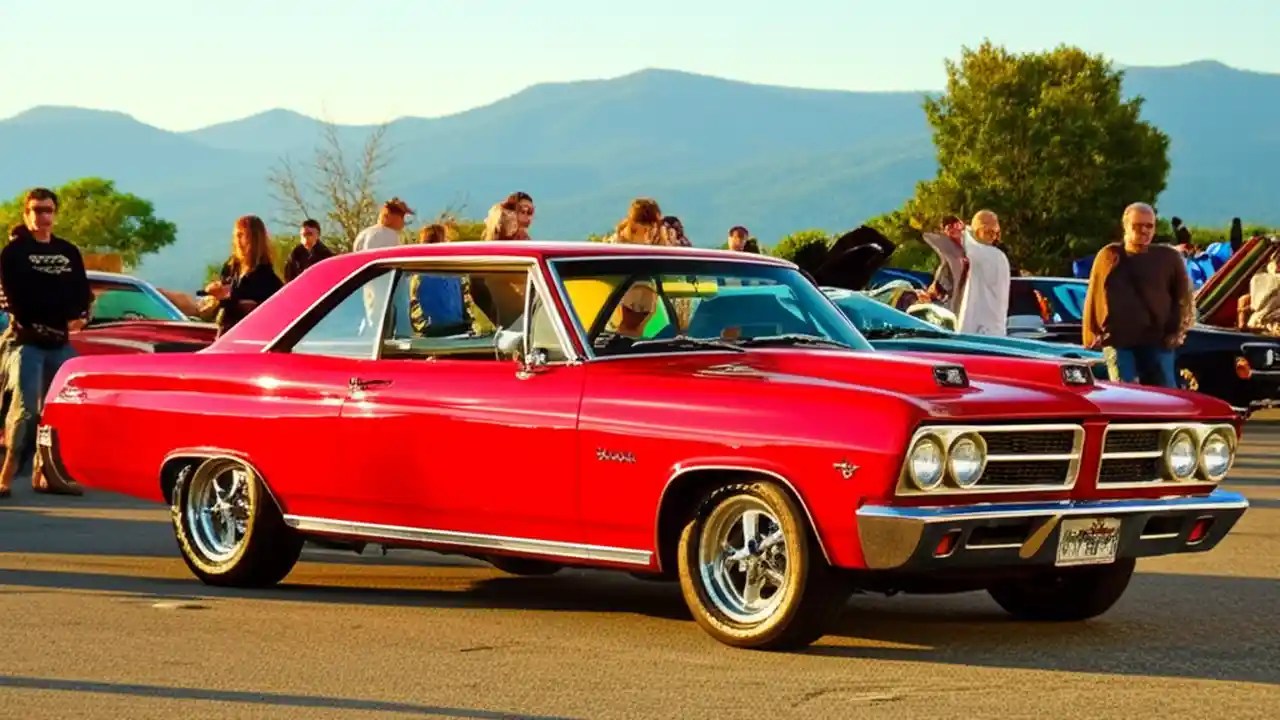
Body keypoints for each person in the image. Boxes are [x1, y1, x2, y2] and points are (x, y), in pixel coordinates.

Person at [0, 188, 93, 498]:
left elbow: (81, 291)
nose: (43, 216)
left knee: (60, 410)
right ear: (26, 214)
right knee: (25, 410)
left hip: (59, 341)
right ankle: (6, 476)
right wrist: (43, 313)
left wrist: (79, 315)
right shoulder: (14, 253)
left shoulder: (68, 251)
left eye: (48, 210)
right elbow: (15, 297)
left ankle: (46, 473)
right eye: (37, 210)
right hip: (26, 341)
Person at [1083, 202, 1193, 387]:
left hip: (1157, 339)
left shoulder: (1167, 257)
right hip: (1118, 340)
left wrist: (1179, 331)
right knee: (1124, 395)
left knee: (1166, 395)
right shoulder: (1109, 255)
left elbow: (1184, 296)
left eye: (1149, 225)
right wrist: (1091, 332)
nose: (1144, 230)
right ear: (1125, 226)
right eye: (1137, 225)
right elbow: (1093, 295)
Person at [203, 215, 284, 337]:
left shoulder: (266, 278)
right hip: (225, 332)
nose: (237, 240)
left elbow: (260, 313)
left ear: (254, 238)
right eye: (236, 235)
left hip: (249, 337)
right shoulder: (231, 266)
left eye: (241, 235)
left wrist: (230, 298)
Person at [951, 210, 1010, 336]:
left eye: (996, 233)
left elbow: (970, 247)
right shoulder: (986, 255)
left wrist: (962, 231)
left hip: (987, 330)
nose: (993, 236)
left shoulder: (995, 256)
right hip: (986, 329)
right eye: (988, 231)